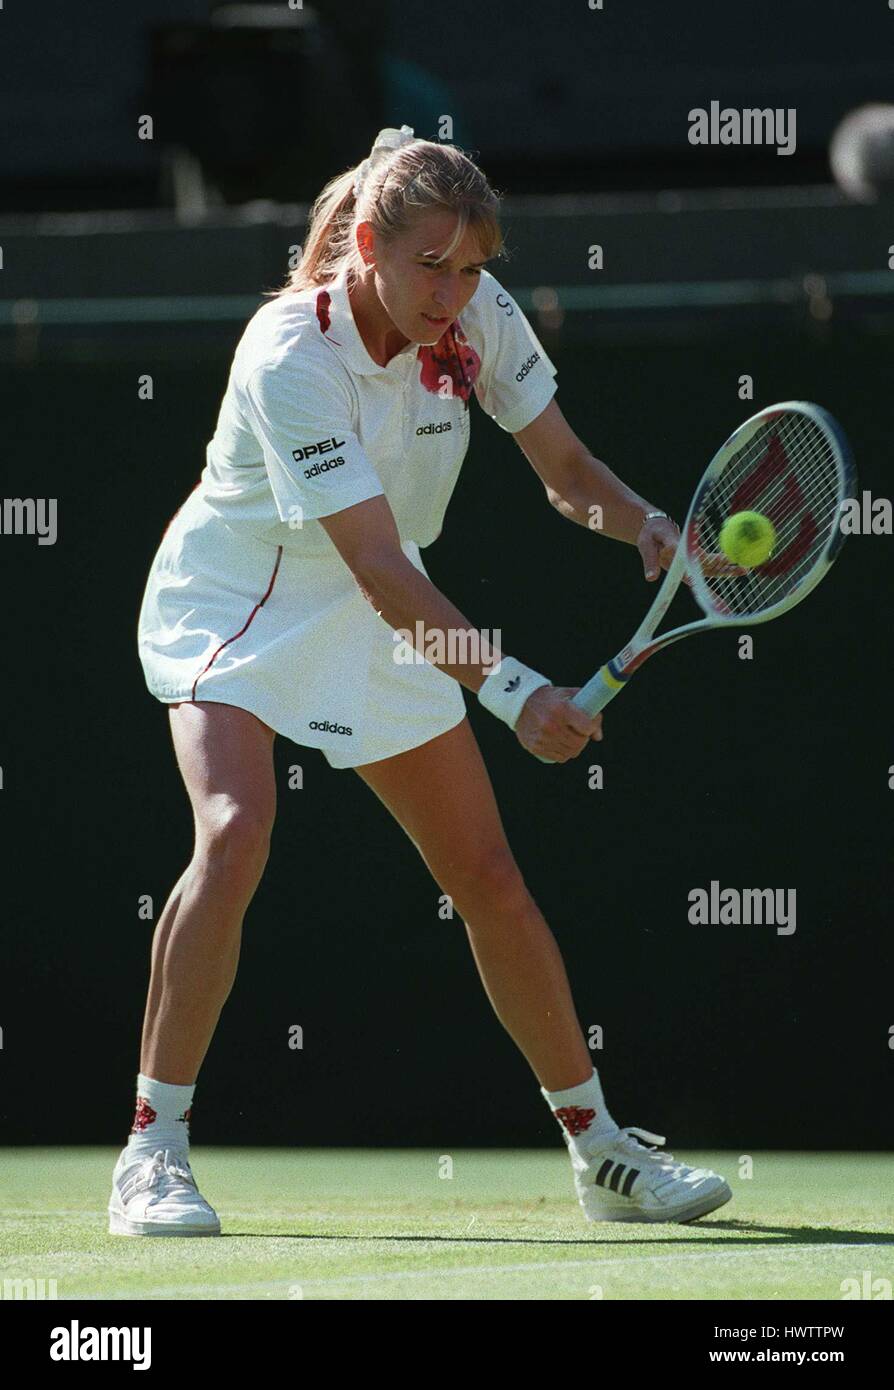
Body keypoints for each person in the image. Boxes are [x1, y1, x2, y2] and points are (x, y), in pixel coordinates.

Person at [109, 125, 731, 1236]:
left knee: (487, 873)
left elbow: (568, 473)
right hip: (239, 597)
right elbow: (381, 564)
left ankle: (600, 1150)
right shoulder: (287, 355)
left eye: (473, 266)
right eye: (430, 266)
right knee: (237, 826)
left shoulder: (479, 319)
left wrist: (647, 527)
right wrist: (516, 694)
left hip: (379, 606)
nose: (454, 290)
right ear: (365, 246)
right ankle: (153, 1149)